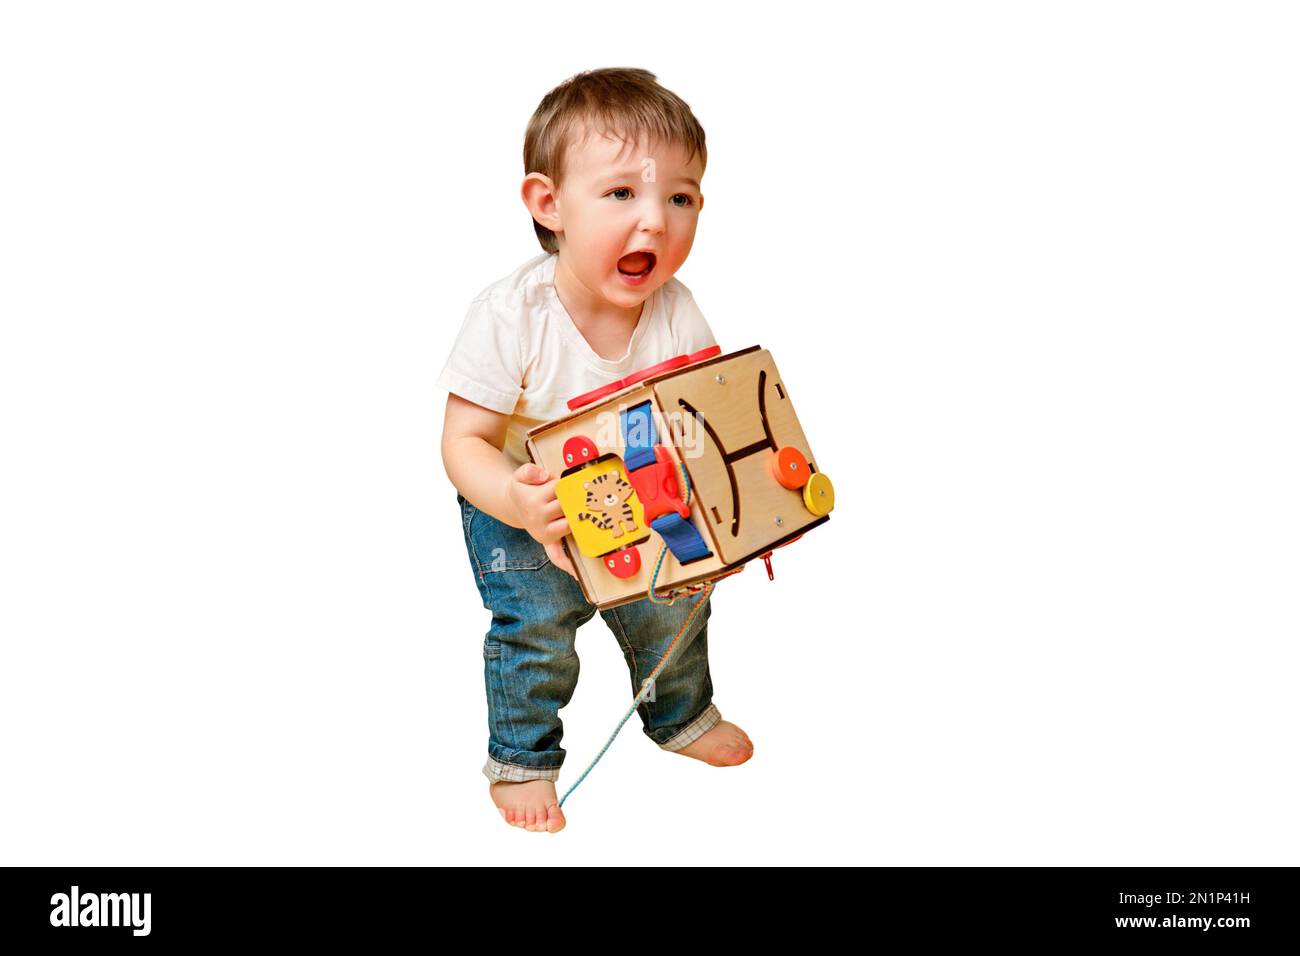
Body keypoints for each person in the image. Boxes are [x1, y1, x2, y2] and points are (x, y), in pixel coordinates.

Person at [438, 68, 752, 834]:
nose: (656, 222)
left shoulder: (676, 310)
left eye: (679, 197)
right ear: (550, 205)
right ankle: (522, 757)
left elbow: (707, 421)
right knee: (537, 628)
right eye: (622, 195)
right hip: (524, 502)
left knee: (676, 601)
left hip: (643, 487)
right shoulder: (513, 314)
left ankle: (680, 715)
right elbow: (464, 443)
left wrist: (735, 520)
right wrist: (515, 498)